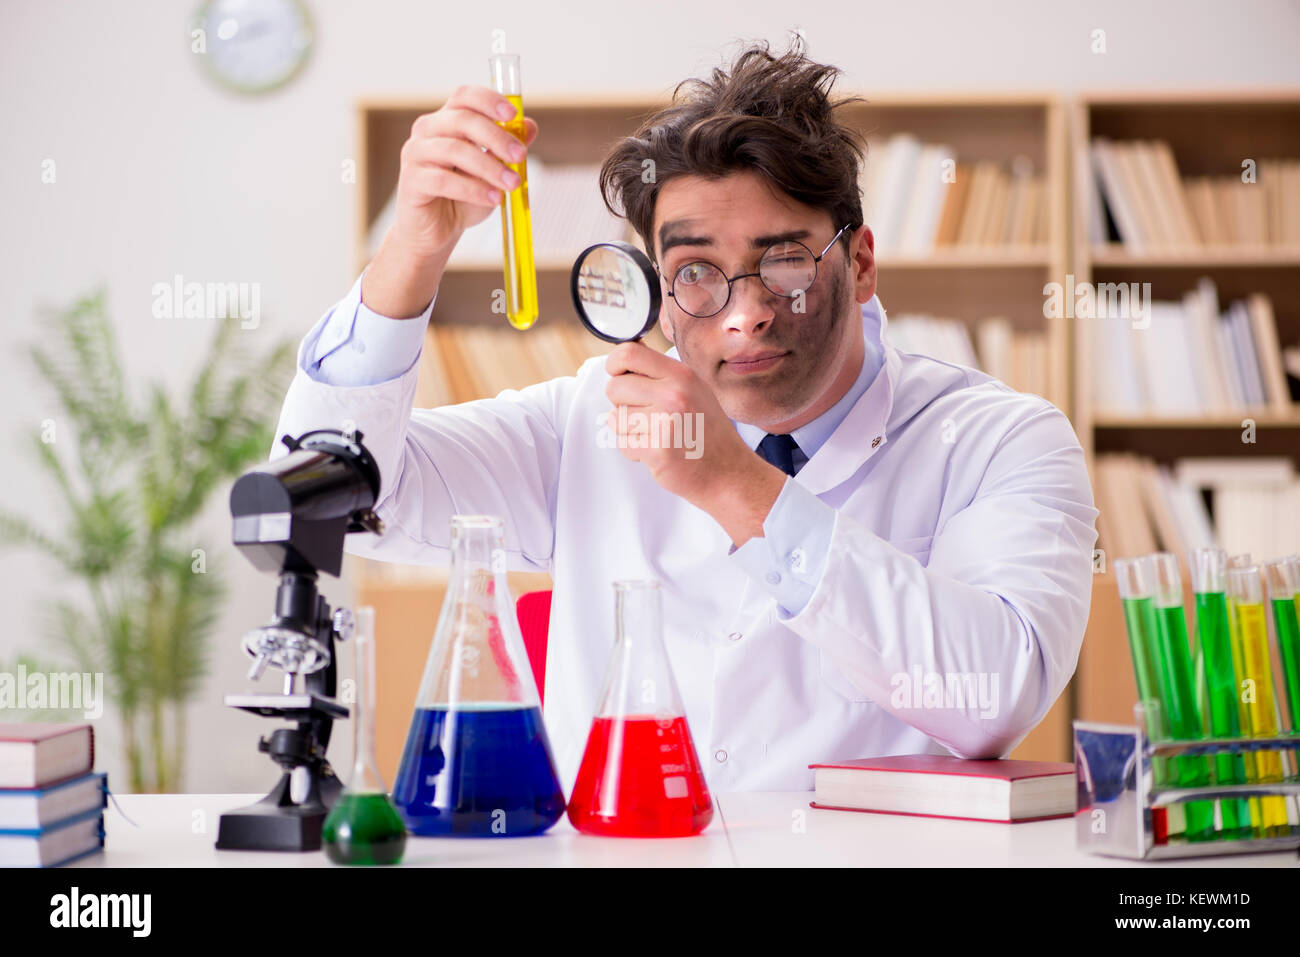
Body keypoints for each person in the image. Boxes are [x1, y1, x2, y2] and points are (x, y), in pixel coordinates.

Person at [271, 39, 1098, 793]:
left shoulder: (1001, 440)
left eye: (783, 262)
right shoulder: (585, 421)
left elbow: (995, 695)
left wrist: (737, 488)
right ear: (656, 291)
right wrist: (413, 249)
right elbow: (331, 491)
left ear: (862, 260)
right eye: (696, 271)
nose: (744, 316)